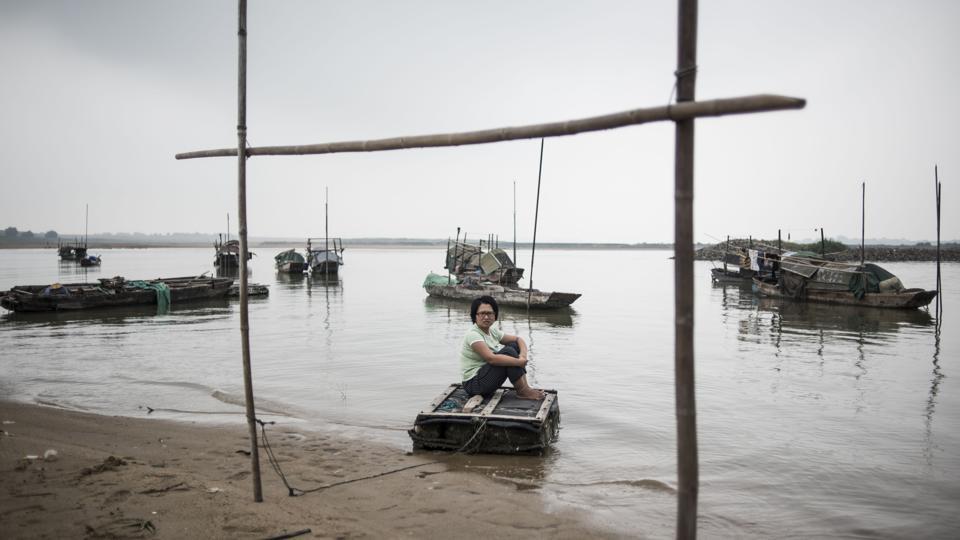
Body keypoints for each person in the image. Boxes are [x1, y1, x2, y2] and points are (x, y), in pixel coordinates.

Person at [460, 295, 545, 400]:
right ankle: (522, 391)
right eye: (482, 313)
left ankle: (525, 388)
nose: (486, 317)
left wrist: (522, 356)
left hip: (485, 376)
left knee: (513, 346)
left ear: (495, 315)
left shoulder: (492, 331)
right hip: (474, 384)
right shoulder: (473, 334)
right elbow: (491, 359)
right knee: (508, 352)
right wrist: (519, 362)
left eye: (489, 313)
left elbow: (518, 340)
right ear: (475, 316)